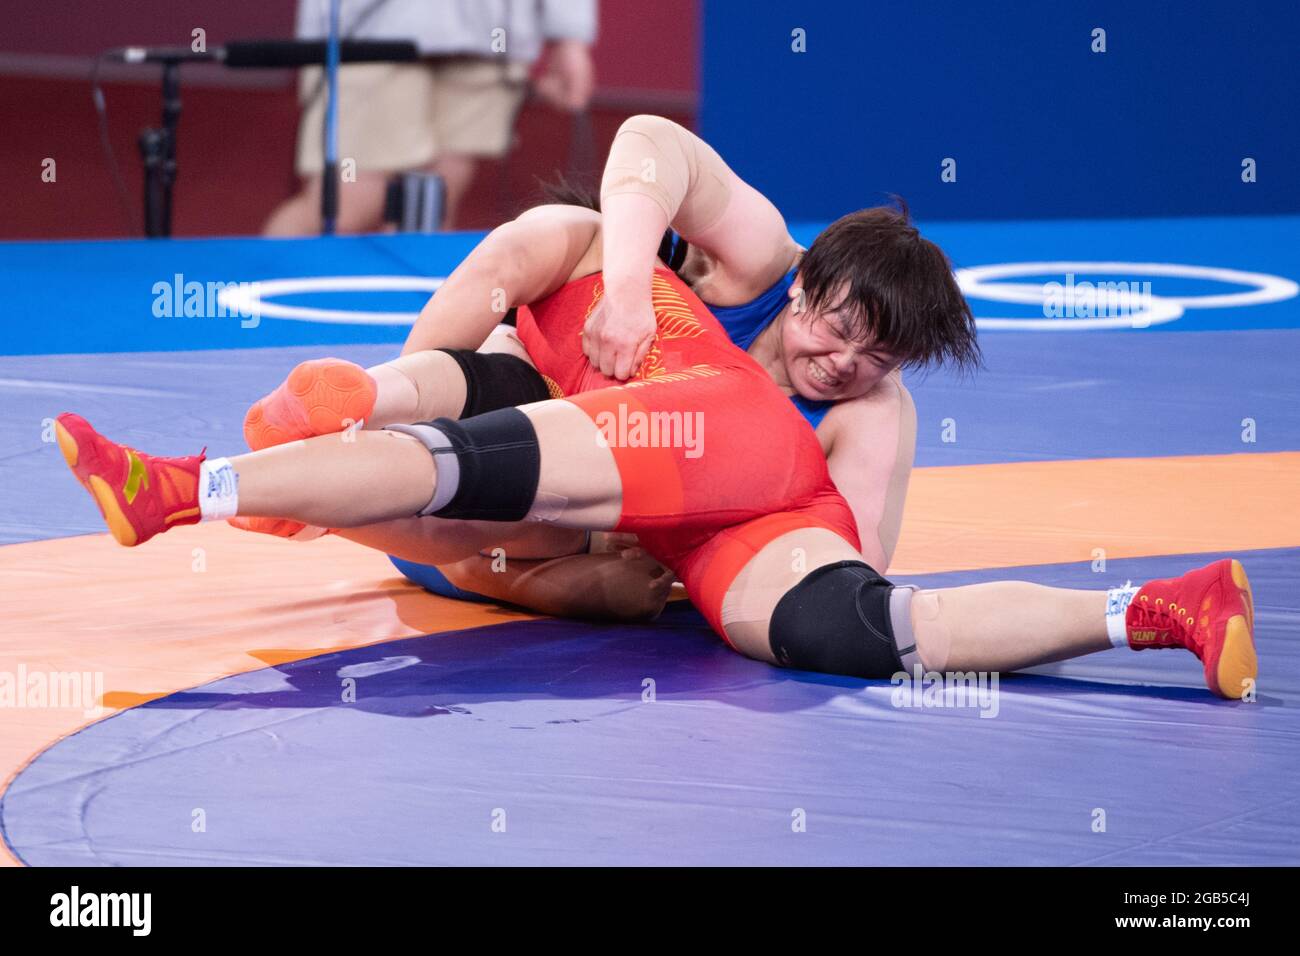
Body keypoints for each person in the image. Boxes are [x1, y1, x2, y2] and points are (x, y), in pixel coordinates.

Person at [54, 205, 1257, 699]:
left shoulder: (636, 290)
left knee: (449, 459)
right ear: (808, 288)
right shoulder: (691, 270)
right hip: (727, 519)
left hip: (689, 455)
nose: (843, 363)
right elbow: (861, 577)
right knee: (886, 635)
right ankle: (1156, 608)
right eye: (836, 332)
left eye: (874, 358)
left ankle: (183, 487)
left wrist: (620, 286)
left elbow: (626, 163)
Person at [264, 0, 597, 234]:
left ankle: (400, 331)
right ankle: (252, 316)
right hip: (369, 29)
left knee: (429, 210)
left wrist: (570, 37)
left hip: (489, 34)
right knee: (345, 207)